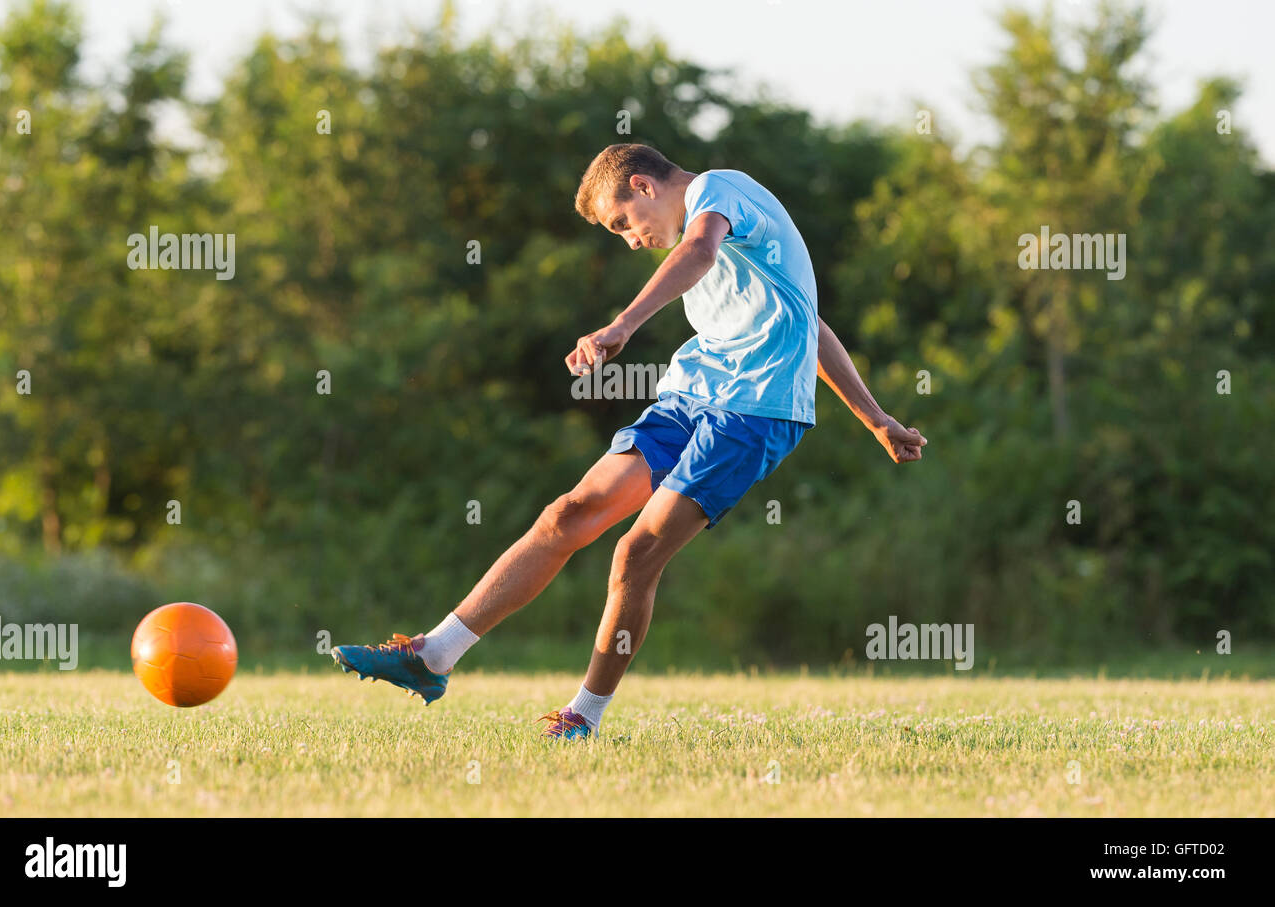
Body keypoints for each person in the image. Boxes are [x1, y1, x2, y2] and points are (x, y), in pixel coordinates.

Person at [332, 143, 927, 738]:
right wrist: (877, 419)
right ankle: (433, 656)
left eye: (623, 224)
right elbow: (810, 322)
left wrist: (621, 325)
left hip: (752, 414)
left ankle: (582, 717)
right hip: (689, 395)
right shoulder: (718, 243)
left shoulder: (717, 189)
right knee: (569, 513)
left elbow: (705, 255)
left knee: (635, 554)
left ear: (644, 186)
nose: (631, 240)